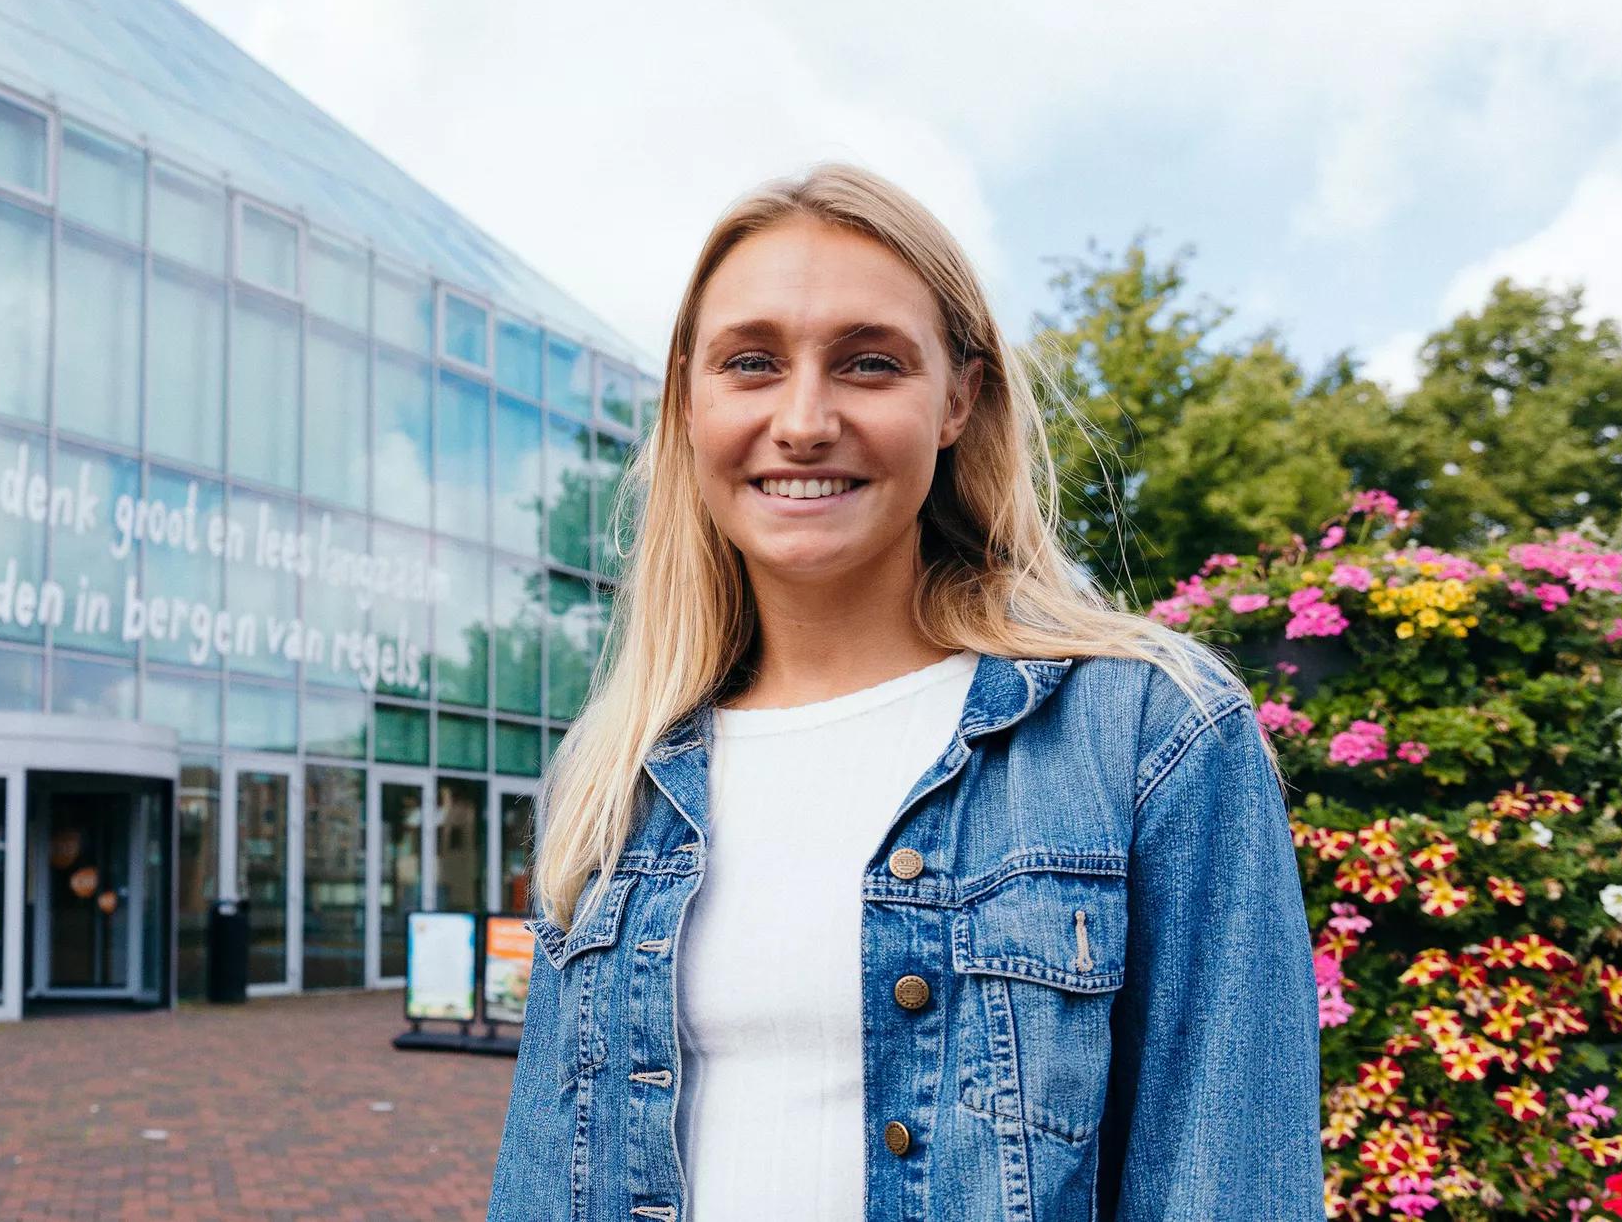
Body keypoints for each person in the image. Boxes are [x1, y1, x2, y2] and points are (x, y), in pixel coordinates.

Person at [485, 163, 1321, 1221]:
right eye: (749, 362)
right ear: (687, 402)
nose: (802, 420)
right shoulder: (612, 776)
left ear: (956, 399)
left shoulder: (1148, 732)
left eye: (868, 363)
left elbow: (1230, 1187)